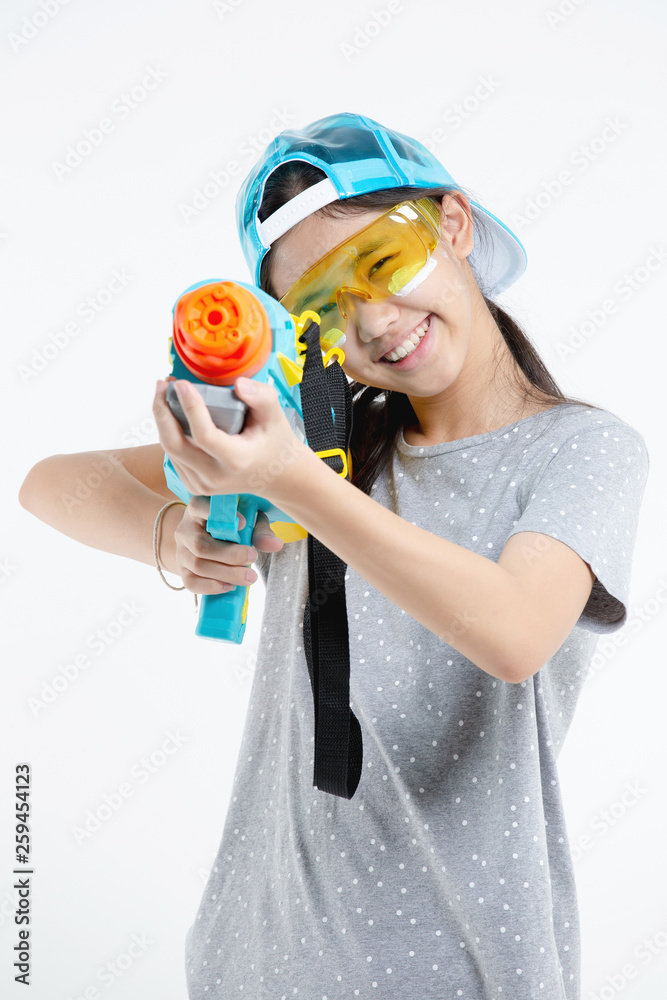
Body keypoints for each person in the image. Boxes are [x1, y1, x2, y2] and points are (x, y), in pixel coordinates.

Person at [19, 112, 650, 999]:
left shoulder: (580, 450)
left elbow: (514, 632)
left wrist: (293, 481)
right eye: (327, 310)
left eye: (385, 265)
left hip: (461, 969)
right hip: (252, 961)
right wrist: (176, 532)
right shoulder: (319, 436)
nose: (377, 323)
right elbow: (49, 484)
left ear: (454, 226)